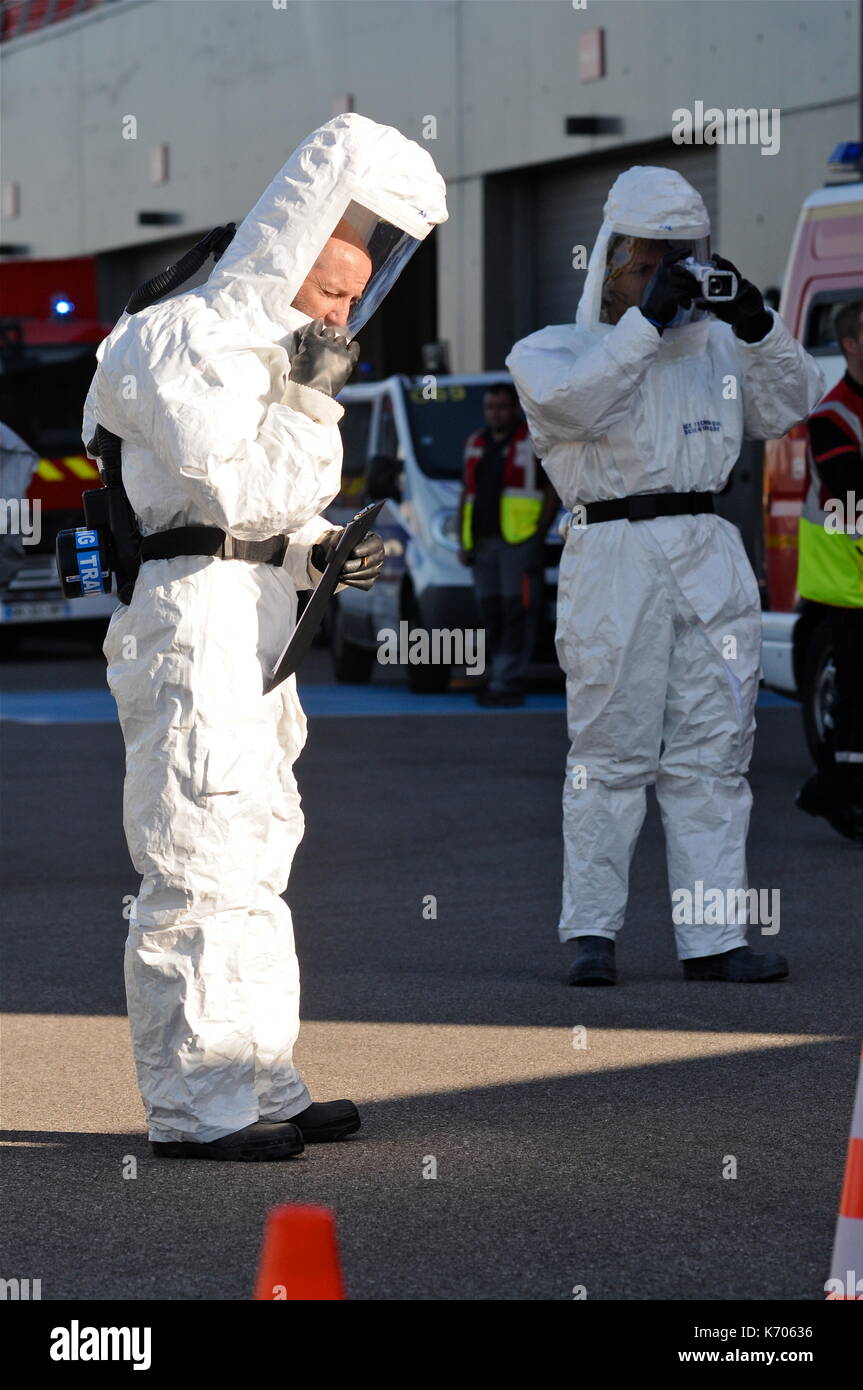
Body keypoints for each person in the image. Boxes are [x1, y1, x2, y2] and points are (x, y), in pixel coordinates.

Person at [83, 113, 447, 1160]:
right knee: (196, 858)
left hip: (251, 620)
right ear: (286, 249)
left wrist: (317, 553)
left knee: (255, 857)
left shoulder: (262, 358)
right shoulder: (177, 335)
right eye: (330, 289)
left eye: (354, 297)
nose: (342, 312)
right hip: (190, 620)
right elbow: (232, 484)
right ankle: (197, 1108)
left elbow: (271, 517)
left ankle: (258, 1080)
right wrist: (310, 395)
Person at [506, 165, 824, 986]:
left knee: (713, 755)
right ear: (608, 263)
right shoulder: (552, 351)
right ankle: (591, 934)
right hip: (612, 557)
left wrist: (756, 323)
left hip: (707, 551)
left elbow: (788, 405)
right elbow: (578, 406)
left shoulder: (716, 344)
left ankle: (713, 940)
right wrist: (645, 323)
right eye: (647, 265)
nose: (664, 282)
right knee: (608, 753)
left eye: (676, 264)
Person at [795, 298, 863, 842]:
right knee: (856, 690)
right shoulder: (832, 414)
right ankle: (839, 790)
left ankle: (830, 788)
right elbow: (850, 488)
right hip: (846, 577)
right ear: (849, 345)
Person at [457, 383, 559, 706]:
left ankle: (509, 681)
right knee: (491, 612)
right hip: (483, 544)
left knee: (518, 612)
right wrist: (463, 539)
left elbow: (553, 490)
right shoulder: (476, 442)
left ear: (514, 408)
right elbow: (466, 493)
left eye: (501, 407)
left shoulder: (532, 441)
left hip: (519, 543)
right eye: (490, 408)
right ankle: (499, 676)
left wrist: (538, 534)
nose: (495, 414)